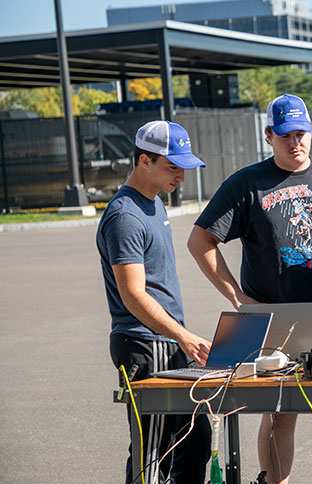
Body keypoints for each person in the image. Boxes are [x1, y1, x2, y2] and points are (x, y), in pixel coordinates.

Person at [186, 94, 312, 484]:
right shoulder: (247, 184)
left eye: (301, 133)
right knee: (280, 410)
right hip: (275, 318)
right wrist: (236, 296)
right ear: (269, 135)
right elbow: (200, 242)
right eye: (285, 135)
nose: (295, 142)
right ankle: (272, 481)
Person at [97, 120, 211, 484]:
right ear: (144, 161)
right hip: (146, 344)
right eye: (172, 166)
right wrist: (183, 335)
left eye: (184, 167)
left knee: (194, 440)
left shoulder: (153, 203)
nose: (180, 176)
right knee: (154, 454)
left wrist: (179, 337)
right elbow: (133, 294)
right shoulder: (125, 216)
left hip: (165, 342)